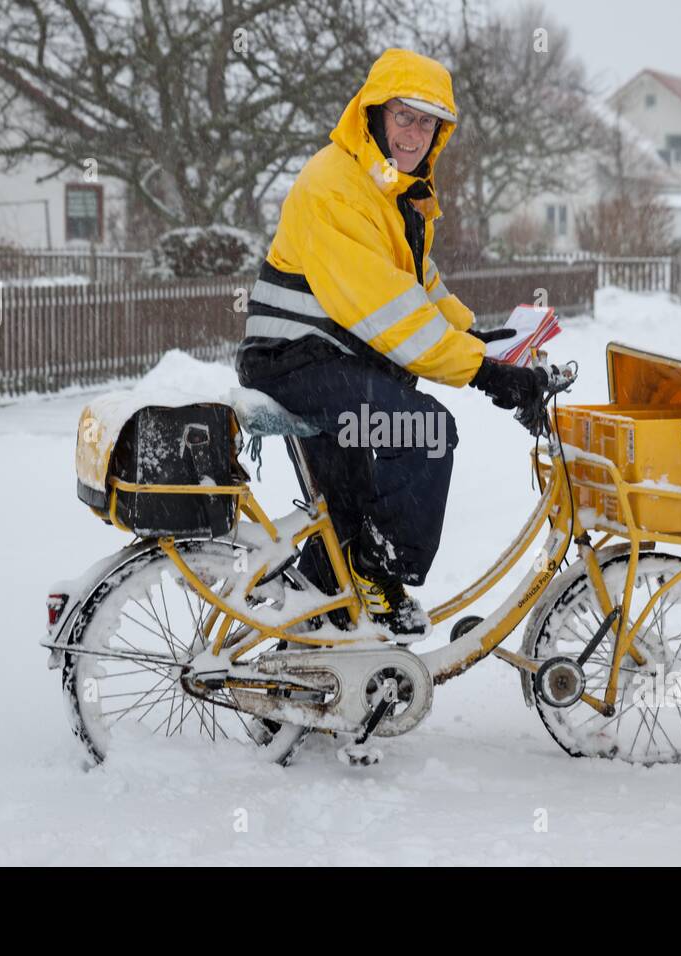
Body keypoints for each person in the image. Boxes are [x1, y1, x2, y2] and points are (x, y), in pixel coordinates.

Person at [236, 48, 547, 639]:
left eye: (428, 123)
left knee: (349, 507)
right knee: (425, 434)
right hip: (295, 361)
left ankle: (326, 629)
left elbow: (417, 285)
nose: (415, 133)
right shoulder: (337, 186)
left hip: (331, 361)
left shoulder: (393, 190)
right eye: (405, 116)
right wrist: (481, 371)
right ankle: (379, 575)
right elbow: (386, 312)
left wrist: (471, 336)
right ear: (374, 115)